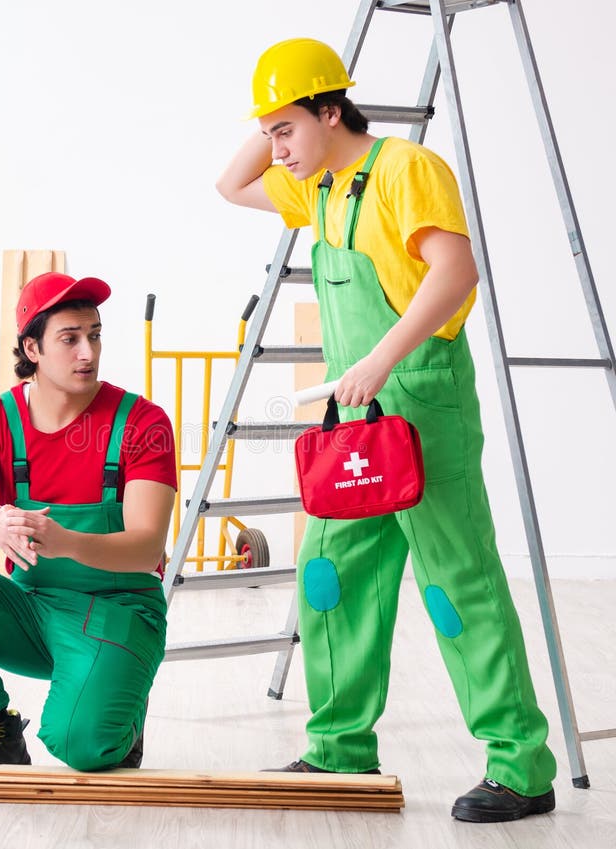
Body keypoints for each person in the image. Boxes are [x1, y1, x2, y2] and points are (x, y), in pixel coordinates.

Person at [216, 37, 556, 823]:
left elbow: (456, 270)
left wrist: (380, 356)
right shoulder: (322, 191)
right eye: (271, 134)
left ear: (333, 111)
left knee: (453, 581)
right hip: (357, 414)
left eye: (288, 130)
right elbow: (229, 184)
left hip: (420, 399)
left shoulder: (406, 170)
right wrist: (276, 114)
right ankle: (339, 751)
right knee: (330, 575)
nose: (276, 150)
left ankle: (520, 764)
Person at [0, 271, 177, 771]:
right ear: (34, 348)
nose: (88, 352)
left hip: (120, 609)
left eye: (94, 335)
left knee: (84, 749)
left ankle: (124, 702)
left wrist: (63, 540)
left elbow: (147, 549)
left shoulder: (143, 423)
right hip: (33, 608)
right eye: (70, 339)